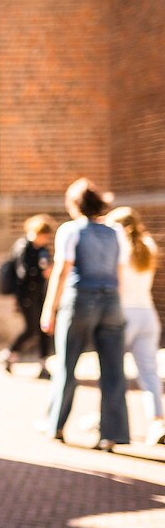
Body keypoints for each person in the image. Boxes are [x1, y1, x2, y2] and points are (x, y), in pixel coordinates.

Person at [40, 178, 130, 451]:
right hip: (111, 301)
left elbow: (61, 271)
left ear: (75, 205)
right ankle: (111, 434)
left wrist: (49, 309)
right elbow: (119, 273)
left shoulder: (71, 230)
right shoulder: (116, 231)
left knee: (67, 365)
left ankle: (55, 424)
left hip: (80, 300)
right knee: (114, 371)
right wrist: (117, 305)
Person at [106, 206, 164, 445]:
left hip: (124, 314)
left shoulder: (118, 248)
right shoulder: (148, 246)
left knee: (113, 372)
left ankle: (111, 422)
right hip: (148, 315)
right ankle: (157, 421)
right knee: (149, 374)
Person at [0, 214, 56, 379]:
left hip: (41, 294)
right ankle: (9, 354)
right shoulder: (23, 247)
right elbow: (24, 273)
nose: (45, 239)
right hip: (26, 295)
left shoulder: (42, 249)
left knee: (44, 329)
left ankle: (43, 364)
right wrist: (42, 272)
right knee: (31, 328)